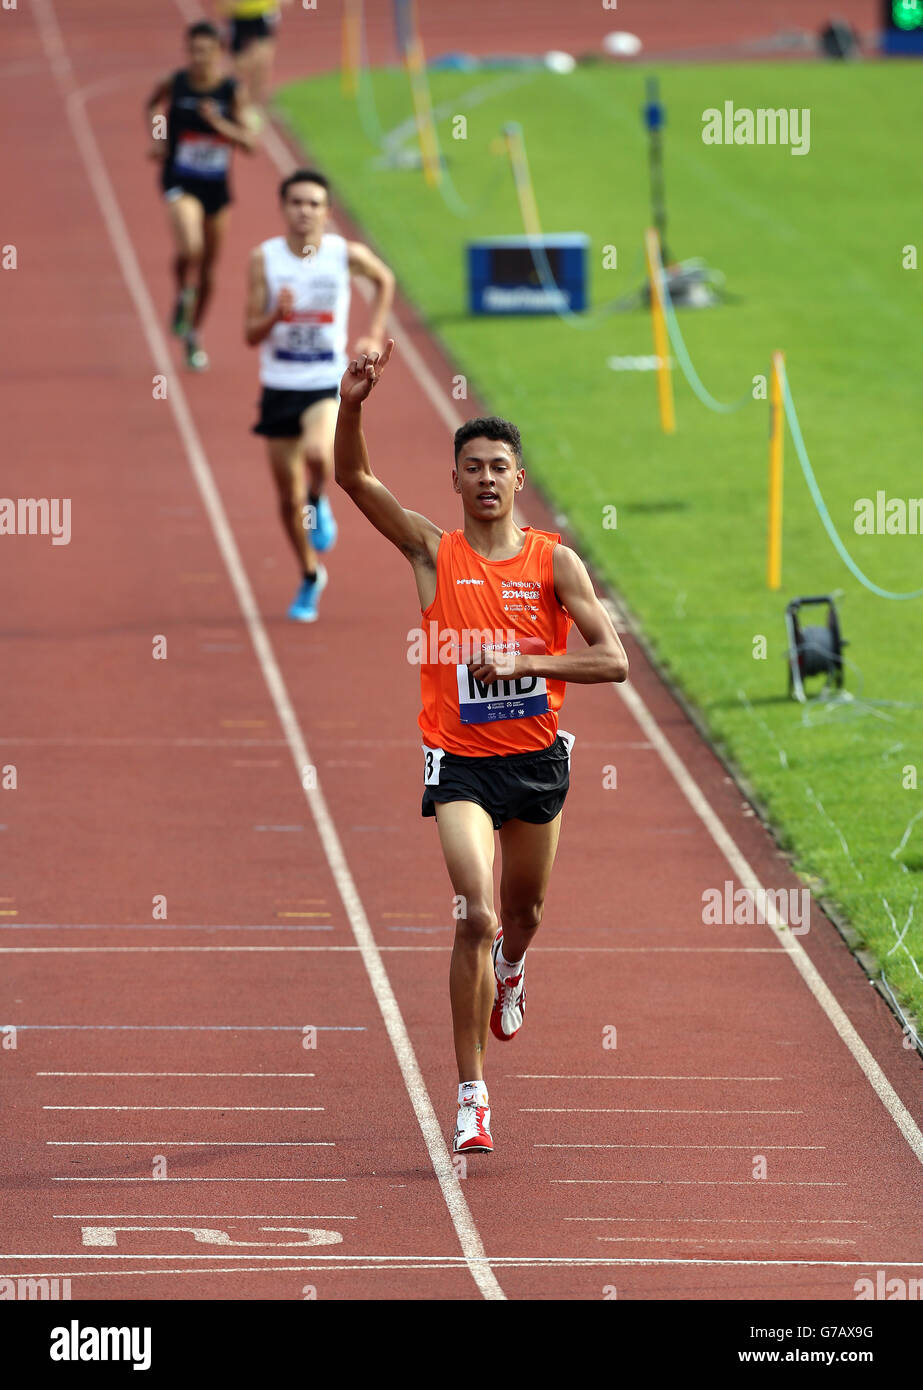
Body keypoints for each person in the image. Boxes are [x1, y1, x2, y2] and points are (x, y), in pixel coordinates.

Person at [333, 342, 630, 1154]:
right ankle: (471, 1093)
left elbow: (613, 661)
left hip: (535, 767)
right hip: (459, 766)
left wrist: (526, 658)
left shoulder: (553, 562)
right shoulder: (435, 553)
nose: (487, 478)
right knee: (477, 908)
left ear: (518, 479)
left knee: (523, 915)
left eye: (500, 465)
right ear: (455, 480)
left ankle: (514, 965)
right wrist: (353, 402)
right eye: (473, 467)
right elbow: (354, 481)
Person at [245, 170, 394, 622]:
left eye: (314, 203)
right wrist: (277, 316)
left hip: (324, 381)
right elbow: (250, 333)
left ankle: (319, 497)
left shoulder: (343, 254)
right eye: (296, 202)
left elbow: (385, 280)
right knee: (286, 501)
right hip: (279, 386)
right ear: (283, 207)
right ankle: (310, 576)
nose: (304, 211)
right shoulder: (264, 259)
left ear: (327, 211)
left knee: (317, 452)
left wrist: (372, 333)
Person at [147, 21, 257, 371]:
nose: (199, 57)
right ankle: (182, 293)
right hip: (179, 180)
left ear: (219, 53)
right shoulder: (174, 83)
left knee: (210, 271)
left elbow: (249, 143)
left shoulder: (231, 91)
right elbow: (152, 107)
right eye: (193, 50)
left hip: (216, 187)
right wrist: (160, 137)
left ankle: (194, 335)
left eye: (206, 51)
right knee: (190, 246)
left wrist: (219, 123)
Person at [217, 0, 291, 115]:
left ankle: (255, 105)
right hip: (238, 17)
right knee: (239, 66)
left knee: (263, 61)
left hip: (262, 15)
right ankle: (224, 95)